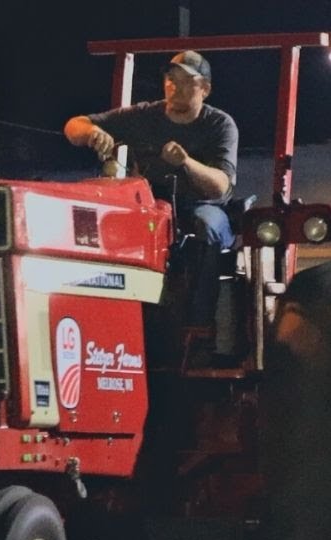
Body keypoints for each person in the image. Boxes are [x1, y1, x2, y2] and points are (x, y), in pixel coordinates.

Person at [64, 50, 239, 333]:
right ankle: (108, 322)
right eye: (170, 78)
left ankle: (199, 328)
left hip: (200, 205)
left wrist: (186, 162)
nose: (174, 85)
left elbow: (221, 185)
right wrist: (93, 134)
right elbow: (74, 125)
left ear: (205, 89)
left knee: (207, 226)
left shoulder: (220, 124)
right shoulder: (143, 115)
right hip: (149, 207)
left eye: (185, 80)